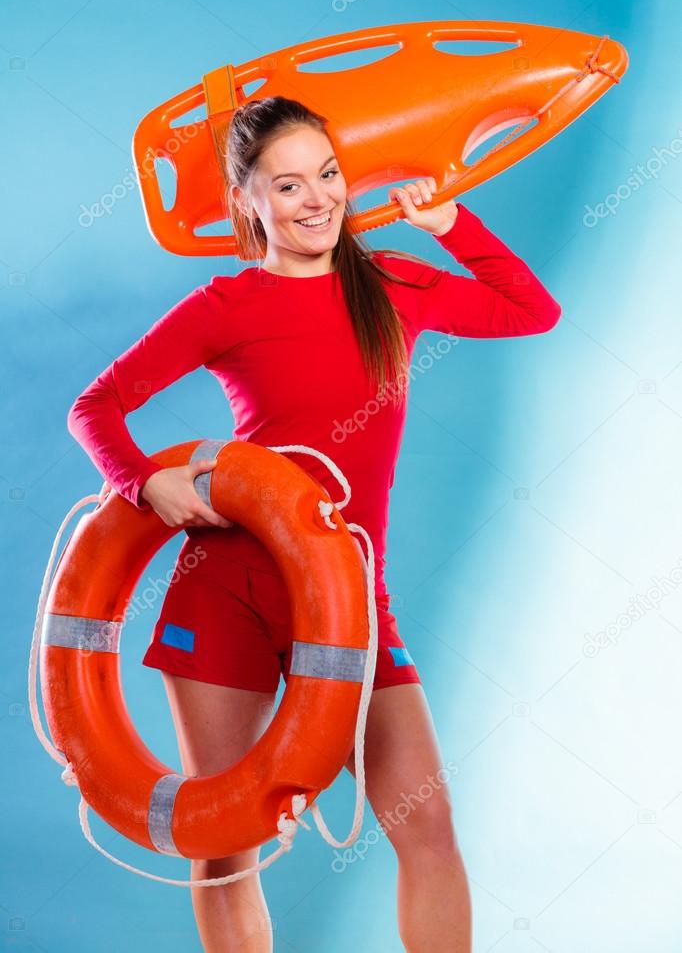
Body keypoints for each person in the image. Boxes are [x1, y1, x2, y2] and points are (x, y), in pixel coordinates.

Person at [67, 95, 561, 953]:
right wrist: (145, 483)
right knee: (226, 842)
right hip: (228, 594)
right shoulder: (227, 305)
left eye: (328, 174)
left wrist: (451, 223)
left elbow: (532, 310)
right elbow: (95, 407)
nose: (318, 198)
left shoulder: (394, 285)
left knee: (427, 826)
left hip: (349, 599)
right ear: (247, 201)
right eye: (289, 184)